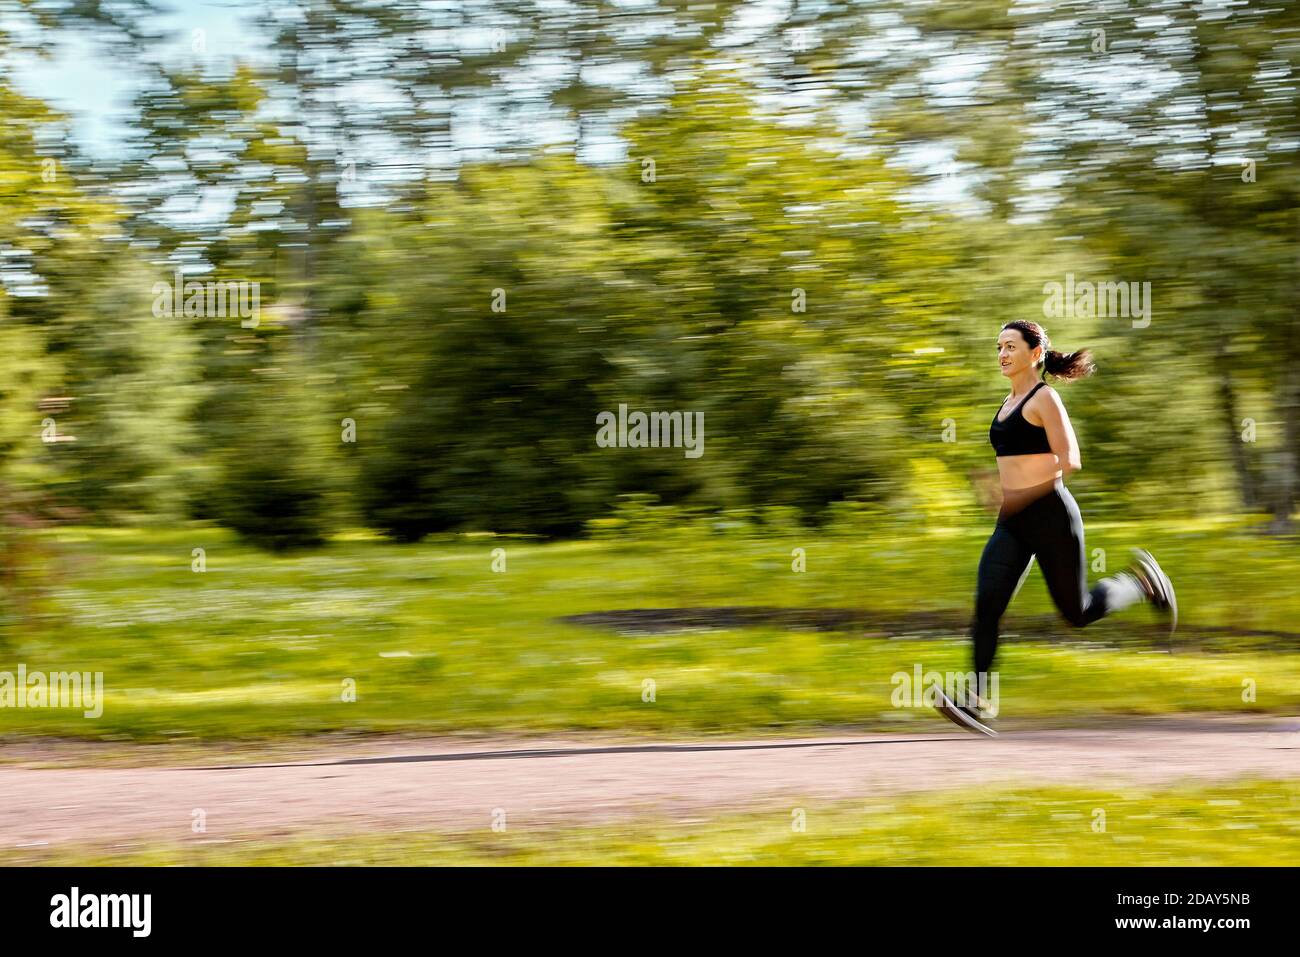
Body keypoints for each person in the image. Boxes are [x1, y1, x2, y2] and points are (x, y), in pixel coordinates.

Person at [935, 320, 1176, 736]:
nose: (1002, 354)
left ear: (1036, 353)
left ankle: (1142, 584)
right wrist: (1003, 489)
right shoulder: (1007, 401)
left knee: (1077, 613)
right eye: (998, 347)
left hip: (1051, 517)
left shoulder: (1044, 398)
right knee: (987, 606)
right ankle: (976, 702)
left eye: (1011, 346)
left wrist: (1021, 485)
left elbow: (1070, 458)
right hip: (1012, 521)